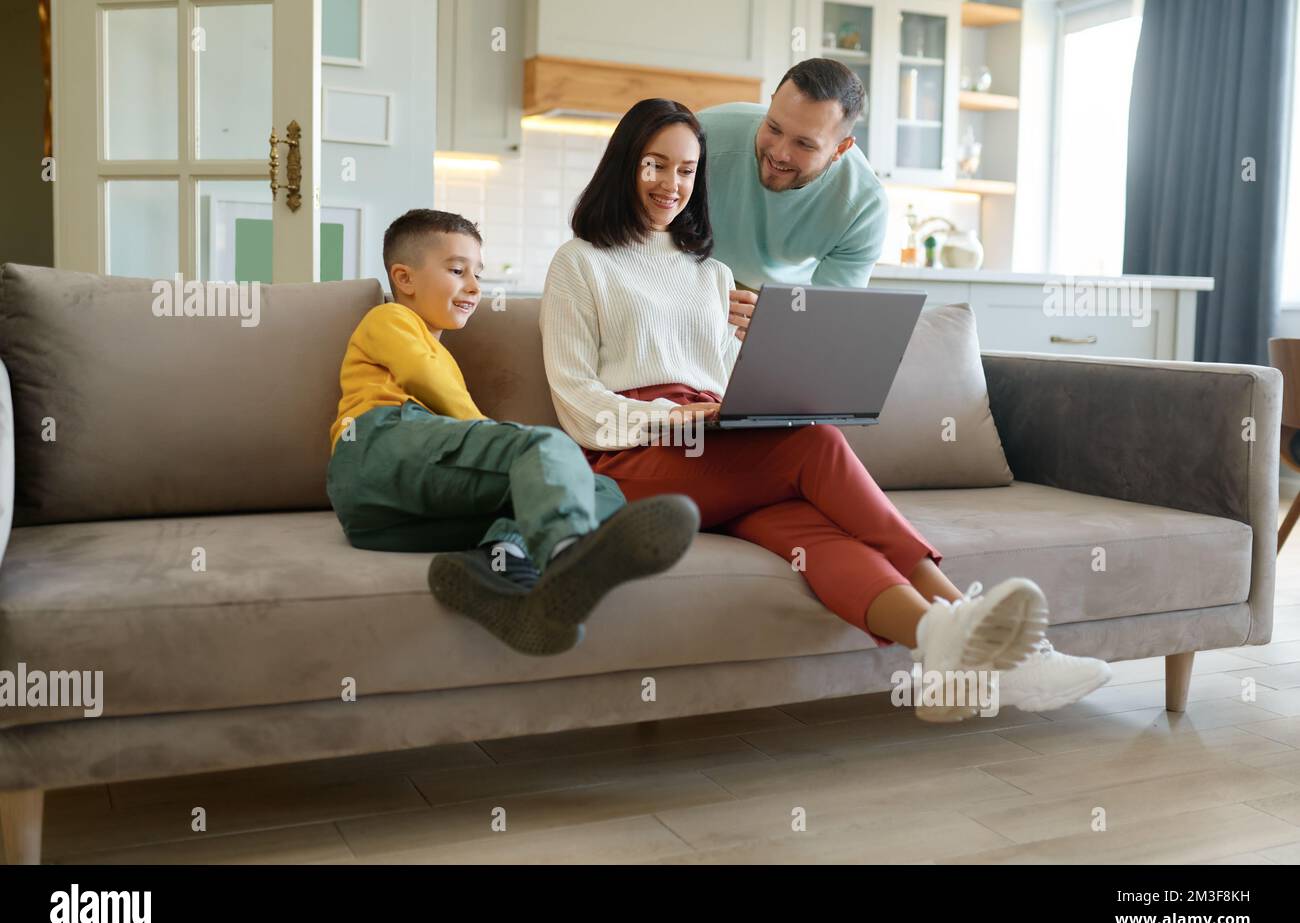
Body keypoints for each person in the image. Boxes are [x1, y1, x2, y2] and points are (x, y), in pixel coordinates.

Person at [539, 99, 1111, 720]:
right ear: (624, 164)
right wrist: (675, 420)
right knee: (814, 442)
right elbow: (577, 401)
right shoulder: (579, 263)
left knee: (818, 535)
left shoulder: (712, 276)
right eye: (655, 165)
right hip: (631, 456)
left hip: (715, 449)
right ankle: (980, 621)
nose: (671, 185)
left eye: (685, 171)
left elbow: (724, 383)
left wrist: (763, 385)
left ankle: (943, 643)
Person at [325, 208, 700, 657]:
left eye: (477, 274)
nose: (474, 287)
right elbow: (423, 376)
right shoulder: (390, 320)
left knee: (598, 486)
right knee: (545, 446)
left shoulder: (442, 352)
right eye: (457, 270)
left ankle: (501, 567)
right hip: (375, 447)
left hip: (391, 522)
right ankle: (566, 555)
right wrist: (505, 441)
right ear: (404, 279)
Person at [697, 57, 884, 343]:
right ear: (771, 103)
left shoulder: (864, 206)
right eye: (773, 128)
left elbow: (829, 313)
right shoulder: (702, 138)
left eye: (804, 144)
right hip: (693, 271)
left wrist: (780, 317)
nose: (780, 153)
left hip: (780, 300)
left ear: (840, 148)